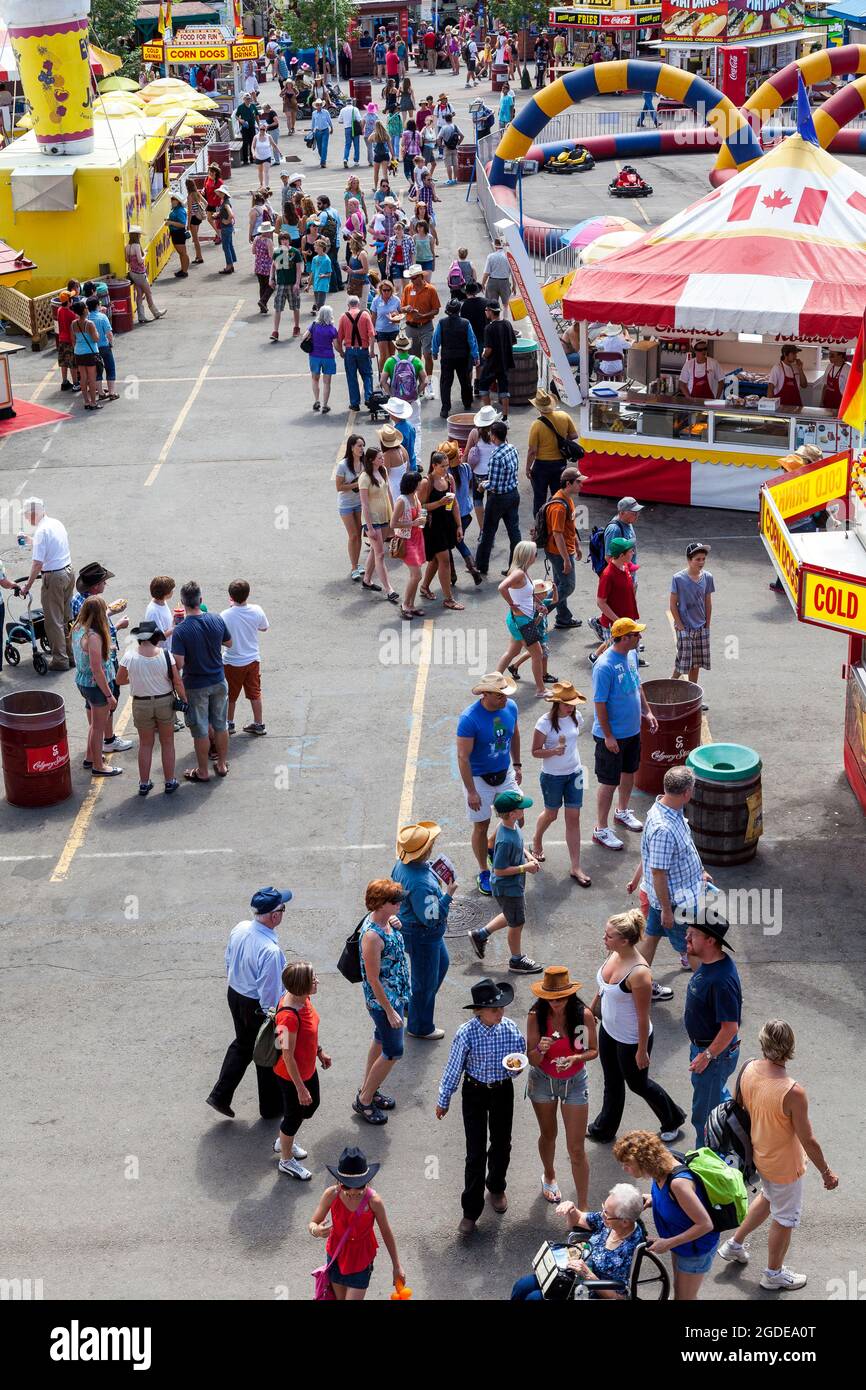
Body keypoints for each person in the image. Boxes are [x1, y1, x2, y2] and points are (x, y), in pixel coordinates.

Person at [718, 1020, 839, 1291]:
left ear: (763, 1043)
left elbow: (739, 1105)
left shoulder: (748, 1068)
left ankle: (734, 1244)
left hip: (759, 1155)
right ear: (790, 1046)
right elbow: (808, 1139)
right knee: (785, 1219)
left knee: (768, 1197)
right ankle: (773, 1274)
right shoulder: (792, 1091)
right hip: (785, 1166)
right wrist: (827, 1172)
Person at [588, 911, 687, 1144]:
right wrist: (591, 1011)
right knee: (611, 1081)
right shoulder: (613, 954)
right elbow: (603, 988)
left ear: (624, 941)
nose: (604, 938)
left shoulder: (640, 973)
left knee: (637, 1084)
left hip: (632, 1039)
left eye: (609, 936)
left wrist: (642, 1050)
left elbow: (643, 1017)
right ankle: (604, 1129)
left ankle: (672, 1119)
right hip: (609, 1030)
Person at [436, 978, 525, 1232]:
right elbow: (454, 1068)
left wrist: (516, 1068)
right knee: (474, 1152)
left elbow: (518, 1061)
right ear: (479, 1011)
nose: (501, 1013)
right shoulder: (466, 1033)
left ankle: (496, 1187)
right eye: (494, 1009)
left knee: (501, 1143)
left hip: (501, 1091)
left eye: (501, 1008)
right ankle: (470, 1210)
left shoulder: (509, 1029)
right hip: (474, 1091)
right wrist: (444, 1099)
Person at [206, 887, 293, 1120]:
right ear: (274, 916)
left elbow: (228, 960)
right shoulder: (271, 951)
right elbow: (270, 992)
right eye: (283, 909)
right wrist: (274, 1017)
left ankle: (220, 1095)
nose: (284, 912)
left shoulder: (240, 928)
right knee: (267, 1052)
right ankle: (271, 1107)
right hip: (256, 1004)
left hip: (235, 994)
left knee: (243, 1044)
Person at [613, 1129, 718, 1300]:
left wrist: (668, 1243)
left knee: (684, 1298)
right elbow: (675, 1202)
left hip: (695, 1249)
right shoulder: (659, 1168)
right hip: (682, 1243)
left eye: (628, 1164)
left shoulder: (678, 1184)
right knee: (680, 1290)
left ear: (644, 1161)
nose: (624, 1169)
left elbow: (706, 1224)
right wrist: (653, 1198)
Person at [637, 765, 707, 995]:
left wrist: (700, 871)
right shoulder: (663, 829)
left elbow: (683, 849)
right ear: (686, 792)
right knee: (693, 949)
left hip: (668, 900)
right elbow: (658, 872)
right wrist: (667, 910)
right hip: (676, 903)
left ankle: (639, 986)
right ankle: (708, 995)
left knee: (651, 938)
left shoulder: (669, 809)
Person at [511, 1183, 645, 1299]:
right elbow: (580, 1218)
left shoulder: (628, 1249)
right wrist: (572, 1209)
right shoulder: (610, 1219)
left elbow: (619, 1297)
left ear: (625, 1222)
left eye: (607, 1213)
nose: (602, 1214)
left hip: (590, 1290)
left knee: (534, 1298)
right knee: (522, 1285)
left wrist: (588, 1274)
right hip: (575, 1272)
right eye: (604, 1208)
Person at [591, 618, 657, 851]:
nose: (640, 637)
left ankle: (622, 811)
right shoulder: (604, 665)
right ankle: (600, 829)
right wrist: (608, 736)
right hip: (612, 736)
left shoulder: (630, 656)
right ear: (625, 637)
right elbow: (599, 703)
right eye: (636, 635)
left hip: (632, 731)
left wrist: (647, 712)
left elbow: (638, 685)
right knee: (609, 782)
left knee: (629, 772)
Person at [456, 670, 523, 894]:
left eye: (505, 692)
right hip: (479, 779)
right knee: (481, 825)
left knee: (518, 816)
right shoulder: (469, 719)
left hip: (504, 772)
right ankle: (484, 870)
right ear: (485, 694)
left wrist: (517, 765)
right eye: (499, 694)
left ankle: (492, 844)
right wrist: (471, 791)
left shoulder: (510, 707)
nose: (504, 697)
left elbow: (514, 735)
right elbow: (463, 757)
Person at [309, 1147, 405, 1300]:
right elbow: (313, 1223)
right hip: (336, 1255)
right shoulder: (331, 1195)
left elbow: (386, 1232)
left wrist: (397, 1266)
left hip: (362, 1259)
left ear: (367, 1181)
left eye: (359, 1185)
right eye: (346, 1185)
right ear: (339, 1181)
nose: (353, 1190)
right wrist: (316, 1230)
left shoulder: (374, 1201)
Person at [354, 878, 411, 1124]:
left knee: (380, 1039)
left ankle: (369, 1088)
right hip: (383, 1002)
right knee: (393, 1050)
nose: (400, 903)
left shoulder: (386, 921)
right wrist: (389, 1011)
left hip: (395, 995)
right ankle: (364, 1100)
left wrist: (395, 923)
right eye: (395, 901)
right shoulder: (372, 937)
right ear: (380, 904)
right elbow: (373, 979)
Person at [392, 819, 455, 1039]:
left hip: (417, 931)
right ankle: (420, 1026)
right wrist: (448, 895)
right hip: (423, 935)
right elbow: (430, 918)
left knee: (440, 966)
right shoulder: (422, 884)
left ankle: (415, 1007)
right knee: (425, 982)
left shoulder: (402, 866)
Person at [683, 908, 742, 1146]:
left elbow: (730, 1028)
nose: (687, 937)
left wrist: (706, 1056)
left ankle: (704, 1162)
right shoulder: (711, 962)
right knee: (716, 1096)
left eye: (693, 934)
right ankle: (738, 1128)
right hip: (707, 1051)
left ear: (710, 940)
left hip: (713, 1055)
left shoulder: (721, 981)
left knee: (704, 1117)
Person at [469, 788, 541, 974]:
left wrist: (527, 856)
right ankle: (516, 960)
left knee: (513, 914)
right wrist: (526, 867)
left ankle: (480, 935)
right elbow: (500, 871)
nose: (524, 809)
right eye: (521, 808)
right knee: (517, 923)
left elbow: (492, 844)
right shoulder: (506, 840)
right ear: (512, 813)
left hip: (512, 886)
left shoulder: (509, 826)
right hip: (508, 887)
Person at [272, 960, 330, 1181]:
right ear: (300, 986)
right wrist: (300, 1088)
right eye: (312, 979)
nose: (317, 981)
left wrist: (320, 1052)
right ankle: (285, 1160)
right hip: (291, 1076)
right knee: (294, 1116)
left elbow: (310, 1033)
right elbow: (286, 1055)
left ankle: (284, 1138)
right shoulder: (287, 1017)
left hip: (307, 1068)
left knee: (311, 1106)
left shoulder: (304, 999)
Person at [530, 681, 591, 885]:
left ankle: (575, 866)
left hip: (575, 772)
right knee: (551, 814)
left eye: (573, 703)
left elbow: (573, 741)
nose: (571, 707)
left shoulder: (577, 717)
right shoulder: (544, 723)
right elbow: (535, 751)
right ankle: (537, 838)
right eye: (567, 704)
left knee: (574, 817)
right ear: (557, 703)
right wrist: (553, 751)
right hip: (552, 776)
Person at [171, 580, 232, 783]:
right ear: (201, 600)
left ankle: (203, 770)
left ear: (182, 603)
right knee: (221, 725)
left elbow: (179, 663)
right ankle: (222, 765)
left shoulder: (181, 630)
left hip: (196, 685)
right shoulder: (216, 619)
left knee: (200, 730)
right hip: (218, 679)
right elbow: (229, 642)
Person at [116, 619, 185, 795]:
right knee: (167, 742)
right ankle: (170, 781)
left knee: (146, 744)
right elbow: (176, 681)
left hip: (141, 704)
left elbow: (119, 680)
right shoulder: (165, 655)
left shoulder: (130, 656)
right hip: (164, 702)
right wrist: (184, 699)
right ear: (156, 638)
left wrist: (137, 679)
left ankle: (144, 783)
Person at [18, 498, 74, 670]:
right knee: (66, 618)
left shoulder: (41, 531)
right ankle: (71, 655)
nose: (27, 519)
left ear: (33, 513)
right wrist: (30, 540)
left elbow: (37, 564)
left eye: (27, 516)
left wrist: (26, 586)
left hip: (54, 577)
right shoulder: (55, 523)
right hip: (68, 572)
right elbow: (51, 546)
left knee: (54, 621)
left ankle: (60, 660)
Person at [70, 598, 122, 778]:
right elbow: (97, 669)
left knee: (94, 724)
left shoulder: (77, 628)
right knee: (99, 727)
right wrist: (109, 695)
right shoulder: (94, 636)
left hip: (83, 682)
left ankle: (90, 757)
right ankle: (99, 766)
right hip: (96, 685)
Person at [495, 539, 547, 697]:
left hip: (518, 620)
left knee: (512, 652)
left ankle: (494, 680)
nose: (536, 556)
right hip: (523, 623)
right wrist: (511, 603)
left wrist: (538, 604)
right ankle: (541, 690)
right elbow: (501, 587)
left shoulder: (522, 571)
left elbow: (527, 594)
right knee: (538, 655)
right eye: (535, 553)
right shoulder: (518, 573)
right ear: (527, 555)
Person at [220, 580, 268, 737]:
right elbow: (264, 627)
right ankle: (259, 724)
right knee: (255, 693)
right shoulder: (256, 610)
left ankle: (229, 723)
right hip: (252, 659)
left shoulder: (225, 615)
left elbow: (221, 637)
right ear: (248, 594)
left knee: (230, 695)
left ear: (230, 597)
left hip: (232, 661)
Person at [417, 451, 464, 611]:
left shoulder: (449, 479)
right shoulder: (426, 482)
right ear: (434, 466)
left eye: (447, 466)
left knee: (436, 561)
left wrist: (459, 526)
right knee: (444, 560)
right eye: (442, 466)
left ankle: (424, 587)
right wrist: (439, 502)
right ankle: (449, 599)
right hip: (432, 526)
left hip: (447, 524)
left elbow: (455, 503)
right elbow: (420, 506)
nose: (446, 469)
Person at [542, 464, 586, 633]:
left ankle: (563, 618)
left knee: (559, 584)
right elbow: (558, 534)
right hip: (558, 552)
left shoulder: (568, 499)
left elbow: (570, 527)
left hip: (564, 550)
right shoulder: (558, 507)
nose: (581, 485)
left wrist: (577, 545)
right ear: (568, 484)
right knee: (568, 586)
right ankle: (537, 613)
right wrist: (567, 559)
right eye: (578, 482)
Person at [474, 420, 521, 577]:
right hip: (513, 494)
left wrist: (482, 485)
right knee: (514, 532)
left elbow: (493, 484)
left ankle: (481, 565)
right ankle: (515, 566)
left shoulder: (496, 457)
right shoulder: (512, 449)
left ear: (494, 436)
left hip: (499, 498)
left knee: (488, 532)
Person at [526, 389, 581, 516]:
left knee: (539, 498)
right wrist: (561, 441)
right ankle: (558, 519)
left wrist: (528, 468)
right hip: (560, 464)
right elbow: (573, 435)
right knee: (559, 496)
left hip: (541, 466)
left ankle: (540, 525)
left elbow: (532, 451)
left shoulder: (537, 425)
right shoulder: (564, 416)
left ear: (538, 407)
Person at [670, 542, 714, 691]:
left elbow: (708, 602)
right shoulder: (678, 579)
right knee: (683, 662)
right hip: (685, 627)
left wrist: (707, 625)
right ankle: (670, 684)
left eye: (703, 559)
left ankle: (693, 693)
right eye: (697, 559)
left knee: (696, 664)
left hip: (701, 627)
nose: (701, 562)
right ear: (689, 560)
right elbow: (673, 605)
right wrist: (681, 627)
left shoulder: (707, 577)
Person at [358, 446, 399, 601]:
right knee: (380, 554)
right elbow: (364, 504)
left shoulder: (382, 471)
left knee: (376, 551)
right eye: (380, 457)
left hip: (384, 517)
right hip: (372, 521)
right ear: (371, 460)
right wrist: (369, 528)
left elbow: (389, 494)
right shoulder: (364, 478)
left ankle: (367, 580)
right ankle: (389, 589)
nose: (383, 459)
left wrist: (394, 513)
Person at [432, 300, 478, 418]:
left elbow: (436, 338)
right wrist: (475, 355)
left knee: (445, 383)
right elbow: (472, 341)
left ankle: (445, 408)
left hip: (447, 357)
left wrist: (435, 352)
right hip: (463, 357)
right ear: (459, 310)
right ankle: (467, 403)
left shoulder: (442, 323)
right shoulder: (465, 323)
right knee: (465, 381)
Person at [401, 265, 439, 386]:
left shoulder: (431, 289)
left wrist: (422, 316)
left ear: (421, 276)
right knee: (414, 357)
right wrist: (406, 308)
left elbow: (436, 310)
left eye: (414, 278)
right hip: (411, 327)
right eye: (411, 278)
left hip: (426, 326)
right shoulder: (408, 288)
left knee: (427, 354)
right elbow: (402, 308)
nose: (412, 280)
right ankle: (416, 382)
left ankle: (428, 382)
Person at [336, 295, 375, 411]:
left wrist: (341, 352)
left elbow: (338, 339)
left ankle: (355, 403)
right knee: (367, 375)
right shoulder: (365, 315)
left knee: (352, 377)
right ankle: (368, 397)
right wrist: (371, 351)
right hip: (363, 349)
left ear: (348, 305)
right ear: (358, 304)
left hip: (350, 350)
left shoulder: (343, 317)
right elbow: (372, 335)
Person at [479, 301, 517, 417]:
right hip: (504, 363)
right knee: (504, 391)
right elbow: (514, 342)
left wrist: (483, 355)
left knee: (484, 388)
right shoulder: (507, 324)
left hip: (492, 364)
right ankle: (505, 417)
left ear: (490, 312)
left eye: (486, 310)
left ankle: (488, 415)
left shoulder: (489, 328)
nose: (485, 312)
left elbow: (489, 350)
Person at [335, 433, 365, 581]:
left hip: (359, 503)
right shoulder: (343, 465)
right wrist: (356, 484)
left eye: (363, 446)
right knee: (353, 535)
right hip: (346, 505)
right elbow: (339, 487)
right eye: (359, 446)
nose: (362, 448)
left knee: (358, 534)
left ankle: (357, 563)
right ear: (351, 447)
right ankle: (354, 567)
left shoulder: (364, 463)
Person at [125, 229, 165, 322]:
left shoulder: (127, 247)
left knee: (139, 295)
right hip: (140, 274)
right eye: (139, 234)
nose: (140, 236)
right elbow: (140, 260)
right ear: (137, 235)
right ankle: (156, 312)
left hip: (133, 273)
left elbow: (127, 260)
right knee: (148, 293)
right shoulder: (137, 246)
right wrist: (145, 255)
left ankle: (141, 316)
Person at [270, 228, 303, 341]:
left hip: (292, 283)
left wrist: (297, 283)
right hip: (281, 283)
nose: (284, 241)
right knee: (278, 307)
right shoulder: (277, 252)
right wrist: (271, 278)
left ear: (289, 240)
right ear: (280, 241)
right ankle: (275, 331)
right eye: (282, 240)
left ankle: (296, 327)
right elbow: (273, 266)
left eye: (286, 239)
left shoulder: (295, 252)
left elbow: (299, 269)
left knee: (295, 306)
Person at [70, 299, 102, 411]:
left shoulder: (74, 324)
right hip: (90, 352)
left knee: (83, 378)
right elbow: (95, 339)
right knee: (92, 379)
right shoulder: (89, 324)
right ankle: (93, 402)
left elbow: (73, 340)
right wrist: (97, 333)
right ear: (84, 310)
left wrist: (78, 349)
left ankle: (86, 402)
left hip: (79, 353)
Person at [86, 295, 118, 403]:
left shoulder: (86, 319)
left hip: (93, 349)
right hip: (104, 346)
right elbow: (109, 333)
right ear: (97, 306)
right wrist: (111, 343)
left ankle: (100, 393)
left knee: (97, 371)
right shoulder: (102, 317)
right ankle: (112, 392)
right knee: (110, 368)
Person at [308, 303, 339, 414]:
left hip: (314, 356)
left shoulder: (314, 326)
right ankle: (325, 405)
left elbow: (304, 337)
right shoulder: (332, 329)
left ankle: (317, 400)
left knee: (315, 379)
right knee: (327, 382)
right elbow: (336, 345)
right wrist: (341, 352)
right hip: (328, 357)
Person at [369, 279, 402, 372]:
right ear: (380, 290)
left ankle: (391, 377)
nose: (387, 292)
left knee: (391, 356)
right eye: (384, 290)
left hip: (393, 330)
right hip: (381, 331)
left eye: (389, 290)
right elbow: (373, 317)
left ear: (392, 290)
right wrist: (372, 332)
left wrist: (396, 316)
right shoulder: (376, 300)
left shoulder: (396, 300)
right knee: (384, 356)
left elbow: (400, 314)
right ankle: (381, 376)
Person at [481, 238, 512, 314]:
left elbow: (486, 272)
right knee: (505, 304)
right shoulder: (508, 256)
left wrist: (482, 284)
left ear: (495, 246)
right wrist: (514, 285)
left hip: (492, 282)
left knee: (491, 304)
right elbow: (512, 273)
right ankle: (504, 320)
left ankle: (492, 320)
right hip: (505, 282)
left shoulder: (491, 256)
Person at [819, 348, 850, 413]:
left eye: (832, 355)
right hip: (827, 402)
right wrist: (821, 401)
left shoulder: (848, 369)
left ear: (840, 356)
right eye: (829, 354)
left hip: (840, 404)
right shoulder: (829, 366)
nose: (829, 357)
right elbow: (825, 386)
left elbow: (851, 390)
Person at [167, 193, 190, 277]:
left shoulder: (179, 210)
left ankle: (185, 271)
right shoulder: (177, 209)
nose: (171, 201)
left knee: (183, 253)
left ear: (177, 201)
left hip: (178, 233)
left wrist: (171, 222)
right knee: (182, 253)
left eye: (173, 199)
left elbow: (182, 224)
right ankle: (183, 269)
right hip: (176, 233)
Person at [214, 190, 237, 274]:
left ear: (224, 194)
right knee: (229, 246)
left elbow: (231, 215)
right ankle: (231, 264)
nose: (219, 194)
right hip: (228, 228)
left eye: (220, 192)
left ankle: (229, 266)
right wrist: (218, 215)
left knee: (226, 247)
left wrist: (227, 221)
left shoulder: (226, 203)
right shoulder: (225, 202)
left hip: (226, 228)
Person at [438, 112, 464, 185]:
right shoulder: (455, 126)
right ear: (451, 119)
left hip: (447, 148)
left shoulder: (444, 128)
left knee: (448, 165)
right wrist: (458, 143)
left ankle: (450, 179)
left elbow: (438, 138)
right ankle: (455, 179)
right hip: (455, 148)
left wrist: (440, 145)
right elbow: (462, 136)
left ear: (445, 119)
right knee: (455, 164)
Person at [338, 97, 364, 168]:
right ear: (352, 102)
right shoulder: (355, 109)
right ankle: (356, 161)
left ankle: (345, 159)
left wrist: (346, 121)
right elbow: (359, 119)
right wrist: (362, 129)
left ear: (346, 103)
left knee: (347, 145)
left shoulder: (343, 110)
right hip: (355, 129)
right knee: (356, 145)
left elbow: (339, 120)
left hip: (347, 128)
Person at [185, 178, 206, 264]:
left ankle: (200, 257)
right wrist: (201, 210)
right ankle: (197, 256)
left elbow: (189, 212)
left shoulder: (190, 196)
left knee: (195, 239)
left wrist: (188, 224)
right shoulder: (197, 193)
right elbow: (206, 203)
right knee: (196, 238)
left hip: (193, 219)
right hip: (198, 218)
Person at [235, 92, 259, 165]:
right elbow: (236, 116)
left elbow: (256, 116)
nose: (248, 100)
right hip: (245, 127)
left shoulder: (253, 106)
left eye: (249, 99)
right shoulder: (240, 107)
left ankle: (252, 158)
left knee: (253, 142)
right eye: (246, 99)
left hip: (252, 126)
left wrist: (258, 124)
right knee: (245, 143)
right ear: (244, 99)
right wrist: (240, 120)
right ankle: (245, 160)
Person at [310, 98, 333, 167]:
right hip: (317, 131)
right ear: (316, 106)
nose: (319, 106)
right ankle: (323, 158)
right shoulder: (314, 113)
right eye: (317, 105)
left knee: (324, 146)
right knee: (319, 147)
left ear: (321, 105)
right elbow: (313, 123)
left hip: (325, 131)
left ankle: (323, 162)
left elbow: (329, 120)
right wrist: (312, 131)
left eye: (320, 105)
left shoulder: (326, 112)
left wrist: (331, 127)